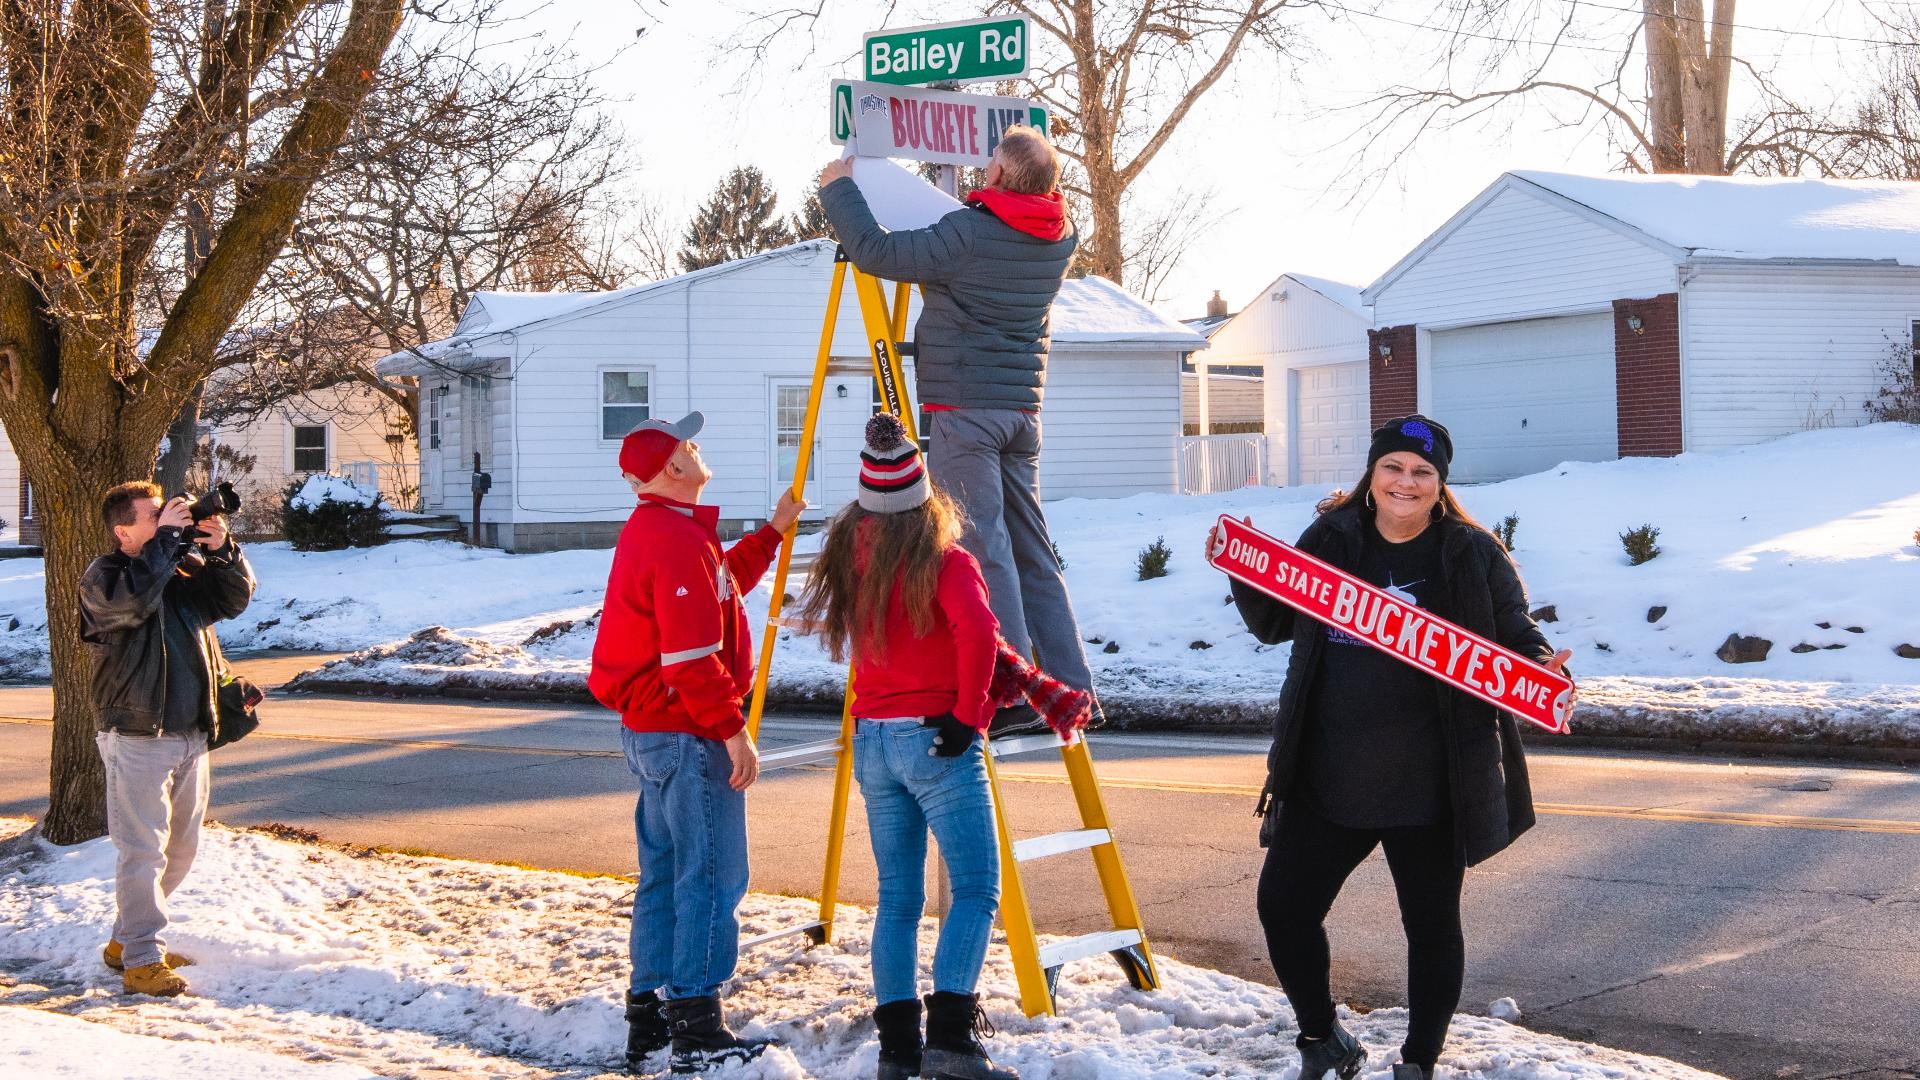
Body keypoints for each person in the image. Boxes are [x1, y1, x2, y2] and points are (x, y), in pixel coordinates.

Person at [1213, 415, 1573, 1080]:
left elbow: (1518, 635)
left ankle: (1418, 1064)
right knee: (1284, 907)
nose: (1407, 481)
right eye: (1394, 467)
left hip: (1432, 785)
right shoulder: (1332, 536)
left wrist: (1543, 672)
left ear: (1439, 485)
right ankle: (1323, 1039)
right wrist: (1247, 565)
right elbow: (1274, 624)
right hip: (1328, 775)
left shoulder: (1471, 553)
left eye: (1422, 472)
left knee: (1431, 928)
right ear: (1372, 476)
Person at [796, 414, 1074, 1080]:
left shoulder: (849, 555)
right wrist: (968, 716)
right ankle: (951, 1041)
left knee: (897, 900)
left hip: (874, 741)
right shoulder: (947, 560)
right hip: (936, 741)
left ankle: (898, 1052)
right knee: (977, 888)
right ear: (923, 495)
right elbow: (980, 634)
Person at [817, 126, 1094, 734]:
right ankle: (1072, 684)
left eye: (990, 164)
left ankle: (1014, 689)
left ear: (998, 176)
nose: (982, 171)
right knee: (1031, 552)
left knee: (982, 545)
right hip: (1022, 414)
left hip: (964, 411)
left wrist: (839, 190)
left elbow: (877, 252)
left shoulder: (971, 235)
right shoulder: (1059, 235)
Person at [588, 412, 806, 1076]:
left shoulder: (669, 532)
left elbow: (721, 587)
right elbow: (689, 658)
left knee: (664, 876)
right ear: (672, 469)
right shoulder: (672, 539)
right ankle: (698, 1027)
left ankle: (649, 1019)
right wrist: (734, 734)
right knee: (712, 875)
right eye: (688, 444)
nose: (697, 447)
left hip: (655, 732)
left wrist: (772, 532)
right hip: (685, 733)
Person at [79, 481, 256, 997]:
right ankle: (140, 959)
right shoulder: (106, 577)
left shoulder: (178, 573)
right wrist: (167, 544)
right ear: (123, 530)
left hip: (190, 733)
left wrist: (222, 549)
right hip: (137, 735)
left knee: (180, 851)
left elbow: (234, 599)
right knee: (143, 852)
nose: (166, 521)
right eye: (154, 516)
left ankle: (125, 941)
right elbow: (130, 606)